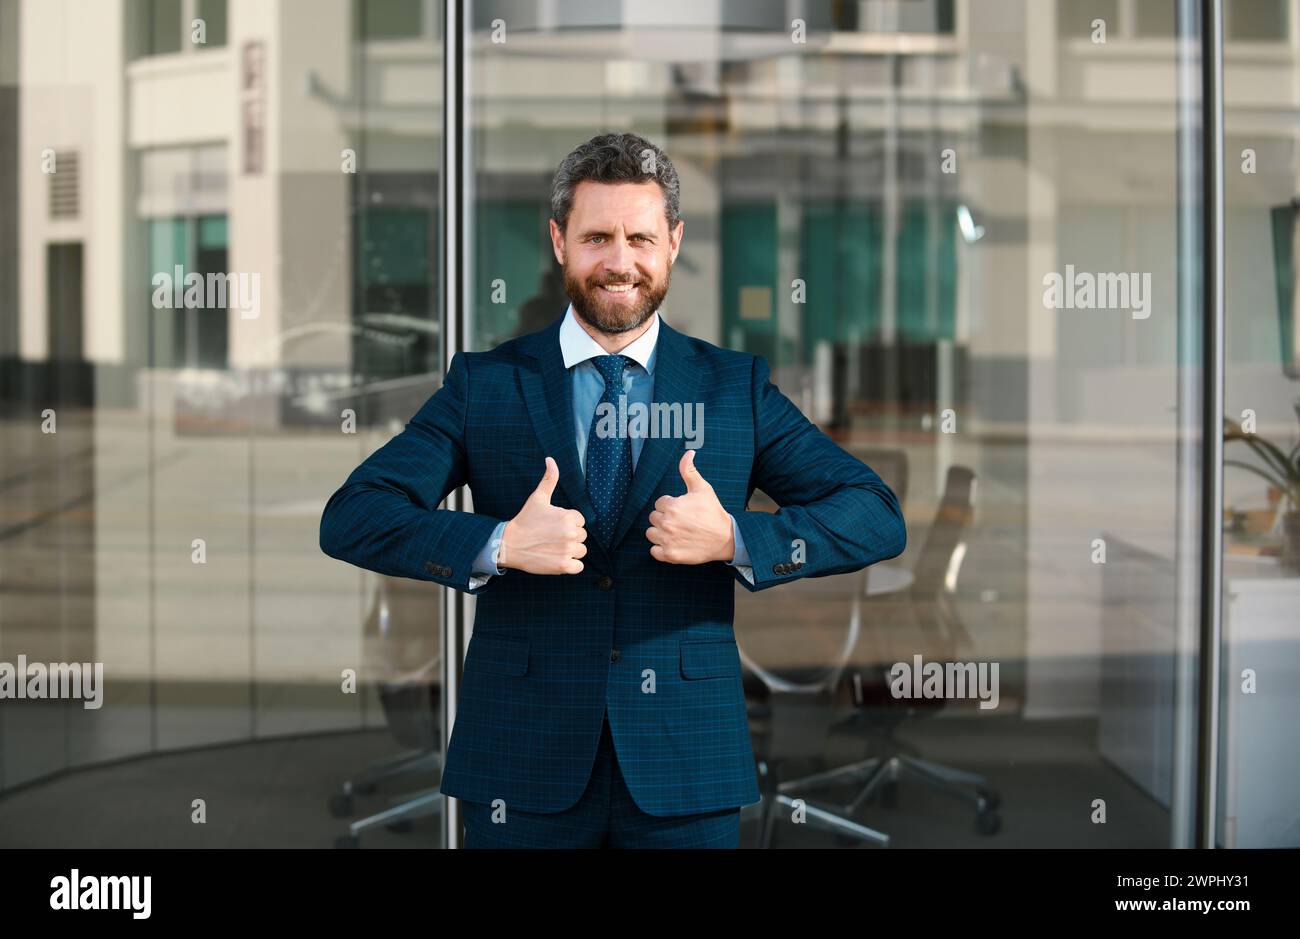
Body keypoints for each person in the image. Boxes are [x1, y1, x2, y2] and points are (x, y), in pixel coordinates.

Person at [319, 131, 906, 848]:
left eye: (640, 237)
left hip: (686, 765)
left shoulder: (734, 390)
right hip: (522, 761)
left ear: (674, 243)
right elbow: (354, 516)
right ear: (560, 240)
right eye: (597, 237)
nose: (620, 262)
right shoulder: (486, 386)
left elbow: (875, 514)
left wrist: (736, 538)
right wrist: (498, 542)